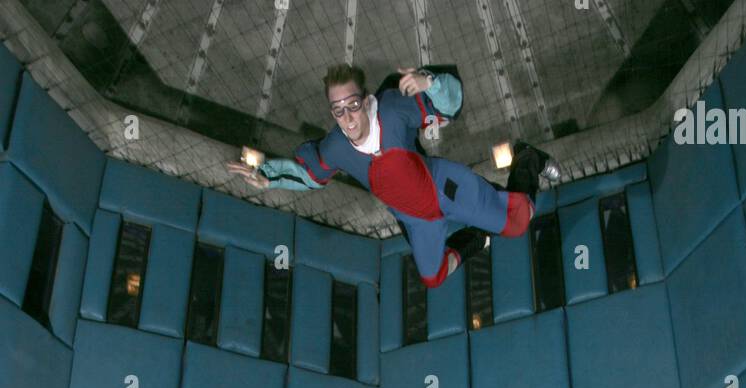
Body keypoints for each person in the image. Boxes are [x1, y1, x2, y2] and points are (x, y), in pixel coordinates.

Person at [227, 63, 560, 288]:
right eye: (337, 110)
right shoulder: (334, 148)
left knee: (518, 222)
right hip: (418, 220)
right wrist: (268, 176)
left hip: (444, 187)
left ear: (365, 99)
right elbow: (309, 175)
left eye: (353, 105)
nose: (348, 117)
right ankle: (477, 237)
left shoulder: (392, 108)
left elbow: (449, 106)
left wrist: (431, 82)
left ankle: (529, 158)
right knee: (433, 277)